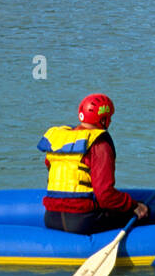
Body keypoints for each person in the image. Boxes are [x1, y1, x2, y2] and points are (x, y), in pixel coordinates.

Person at [39, 93, 149, 234]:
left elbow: (49, 165)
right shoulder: (100, 144)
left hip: (51, 218)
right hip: (82, 221)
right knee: (144, 211)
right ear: (104, 120)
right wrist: (134, 205)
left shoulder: (60, 138)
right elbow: (105, 196)